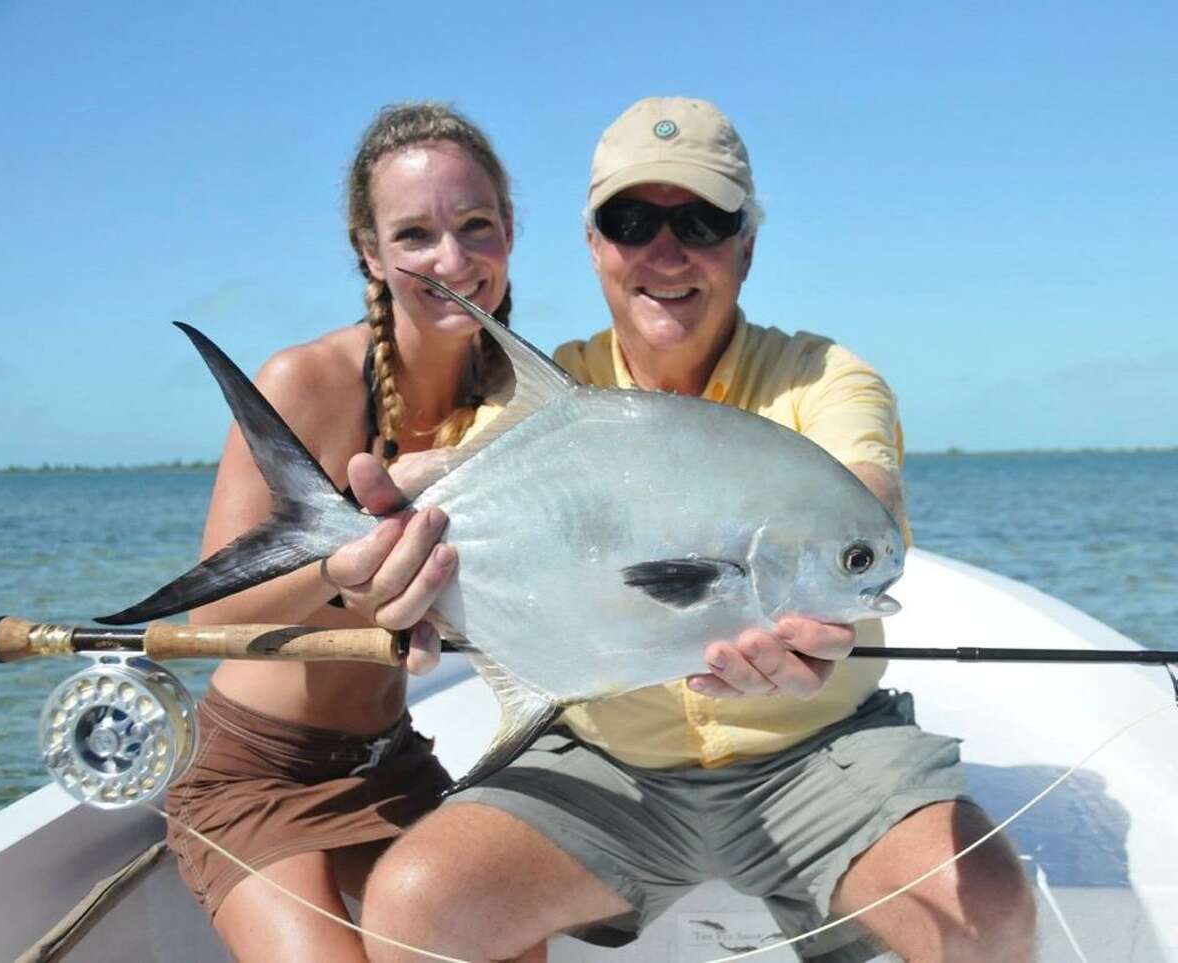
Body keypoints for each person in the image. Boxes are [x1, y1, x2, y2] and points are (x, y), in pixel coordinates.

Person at [358, 98, 1037, 962]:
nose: (665, 252)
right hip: (605, 767)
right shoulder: (549, 389)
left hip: (817, 755)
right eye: (632, 221)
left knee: (988, 912)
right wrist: (387, 566)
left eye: (703, 221)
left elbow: (867, 493)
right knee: (413, 906)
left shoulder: (824, 375)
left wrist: (836, 582)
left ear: (748, 243)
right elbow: (467, 522)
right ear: (595, 244)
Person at [164, 101, 515, 963]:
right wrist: (345, 559)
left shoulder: (520, 400)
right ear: (368, 251)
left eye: (476, 226)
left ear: (510, 232)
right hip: (254, 772)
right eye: (415, 236)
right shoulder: (307, 381)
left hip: (393, 762)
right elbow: (210, 622)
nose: (452, 261)